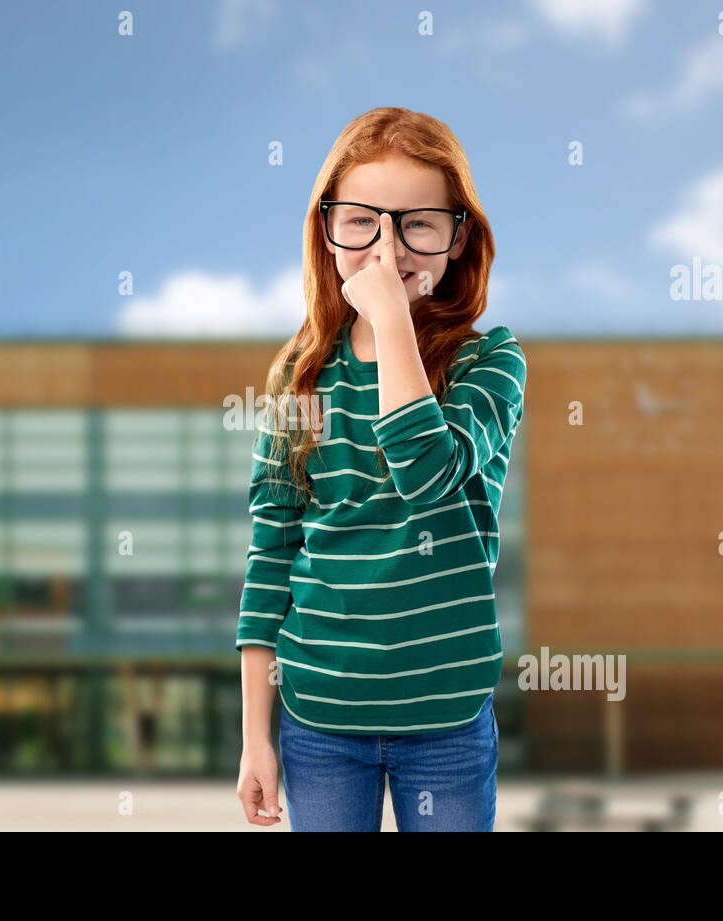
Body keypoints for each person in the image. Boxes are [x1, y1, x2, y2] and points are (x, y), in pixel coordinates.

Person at [235, 107, 527, 831]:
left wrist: (393, 320)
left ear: (459, 235)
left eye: (417, 224)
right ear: (327, 227)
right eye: (362, 220)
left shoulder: (490, 363)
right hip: (321, 719)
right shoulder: (298, 379)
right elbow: (270, 559)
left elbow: (427, 470)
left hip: (448, 716)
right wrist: (253, 738)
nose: (387, 247)